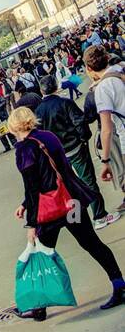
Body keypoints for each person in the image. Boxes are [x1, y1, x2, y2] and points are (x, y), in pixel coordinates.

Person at [7, 105, 125, 321]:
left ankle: (39, 306)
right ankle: (119, 283)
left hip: (50, 211)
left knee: (43, 251)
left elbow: (33, 187)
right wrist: (25, 203)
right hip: (71, 203)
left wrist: (31, 224)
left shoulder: (24, 149)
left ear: (13, 126)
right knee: (91, 243)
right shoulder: (48, 137)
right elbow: (57, 170)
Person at [35, 74, 108, 224]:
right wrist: (83, 139)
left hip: (57, 154)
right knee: (88, 180)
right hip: (75, 147)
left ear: (41, 91)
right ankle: (99, 215)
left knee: (69, 186)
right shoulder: (65, 103)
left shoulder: (38, 112)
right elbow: (80, 122)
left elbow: (39, 136)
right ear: (56, 86)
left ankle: (76, 219)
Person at [84, 45, 125, 213]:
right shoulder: (120, 69)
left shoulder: (102, 89)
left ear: (88, 68)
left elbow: (106, 128)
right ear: (107, 58)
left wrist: (105, 161)